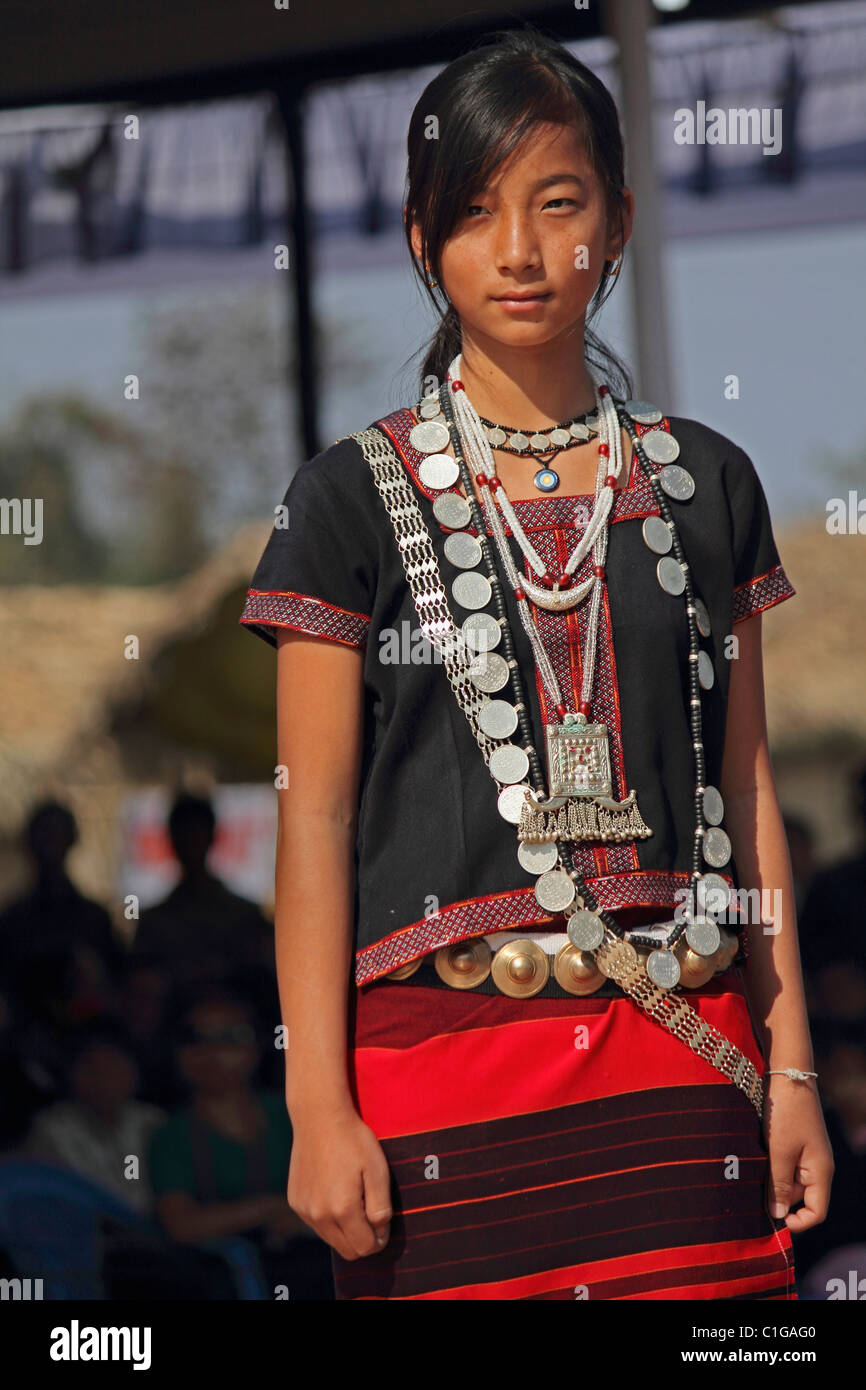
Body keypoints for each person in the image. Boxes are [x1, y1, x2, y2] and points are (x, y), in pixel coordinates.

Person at [238, 29, 832, 1300]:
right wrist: (314, 1106)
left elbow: (748, 789)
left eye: (556, 204)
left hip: (681, 1070)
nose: (517, 251)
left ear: (614, 223)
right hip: (432, 1089)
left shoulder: (706, 485)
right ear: (420, 238)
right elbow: (315, 820)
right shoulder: (344, 501)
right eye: (475, 213)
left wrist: (790, 1071)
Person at [148, 985, 334, 1299]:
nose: (211, 1053)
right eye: (195, 1039)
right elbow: (180, 1225)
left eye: (230, 1038)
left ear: (258, 1046)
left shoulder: (293, 1111)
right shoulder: (171, 1134)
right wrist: (269, 1209)